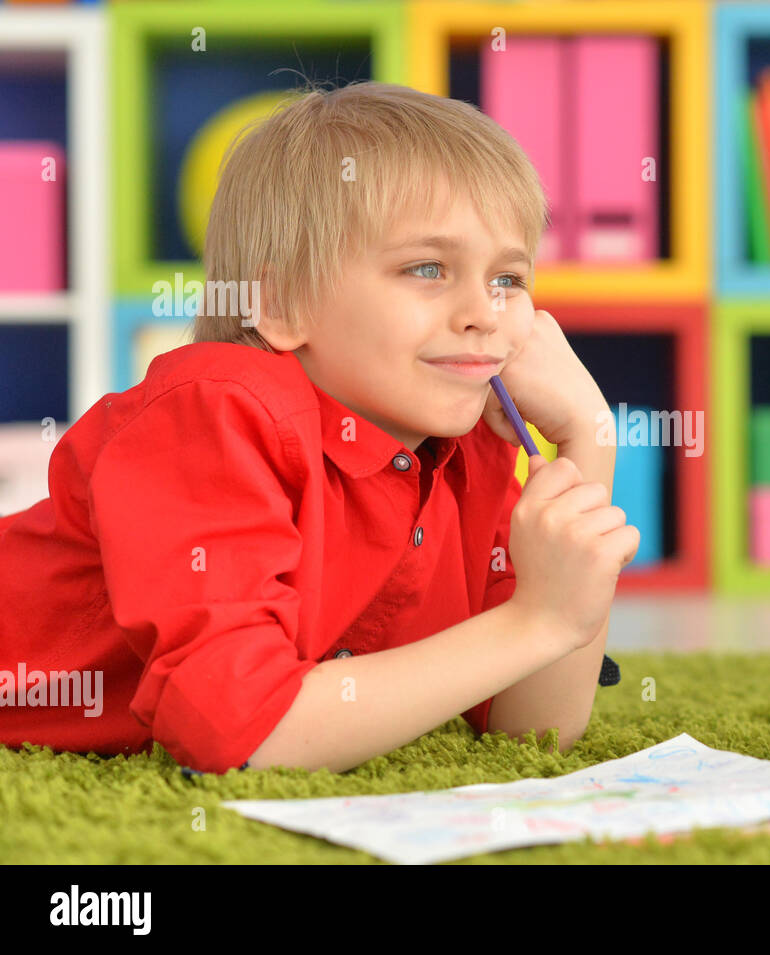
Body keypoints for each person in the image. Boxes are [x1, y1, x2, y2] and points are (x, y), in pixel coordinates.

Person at [0, 81, 638, 774]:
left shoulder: (468, 452)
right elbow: (240, 733)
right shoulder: (215, 413)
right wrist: (532, 622)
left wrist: (587, 442)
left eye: (508, 279)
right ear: (281, 304)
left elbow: (530, 732)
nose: (486, 312)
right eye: (428, 268)